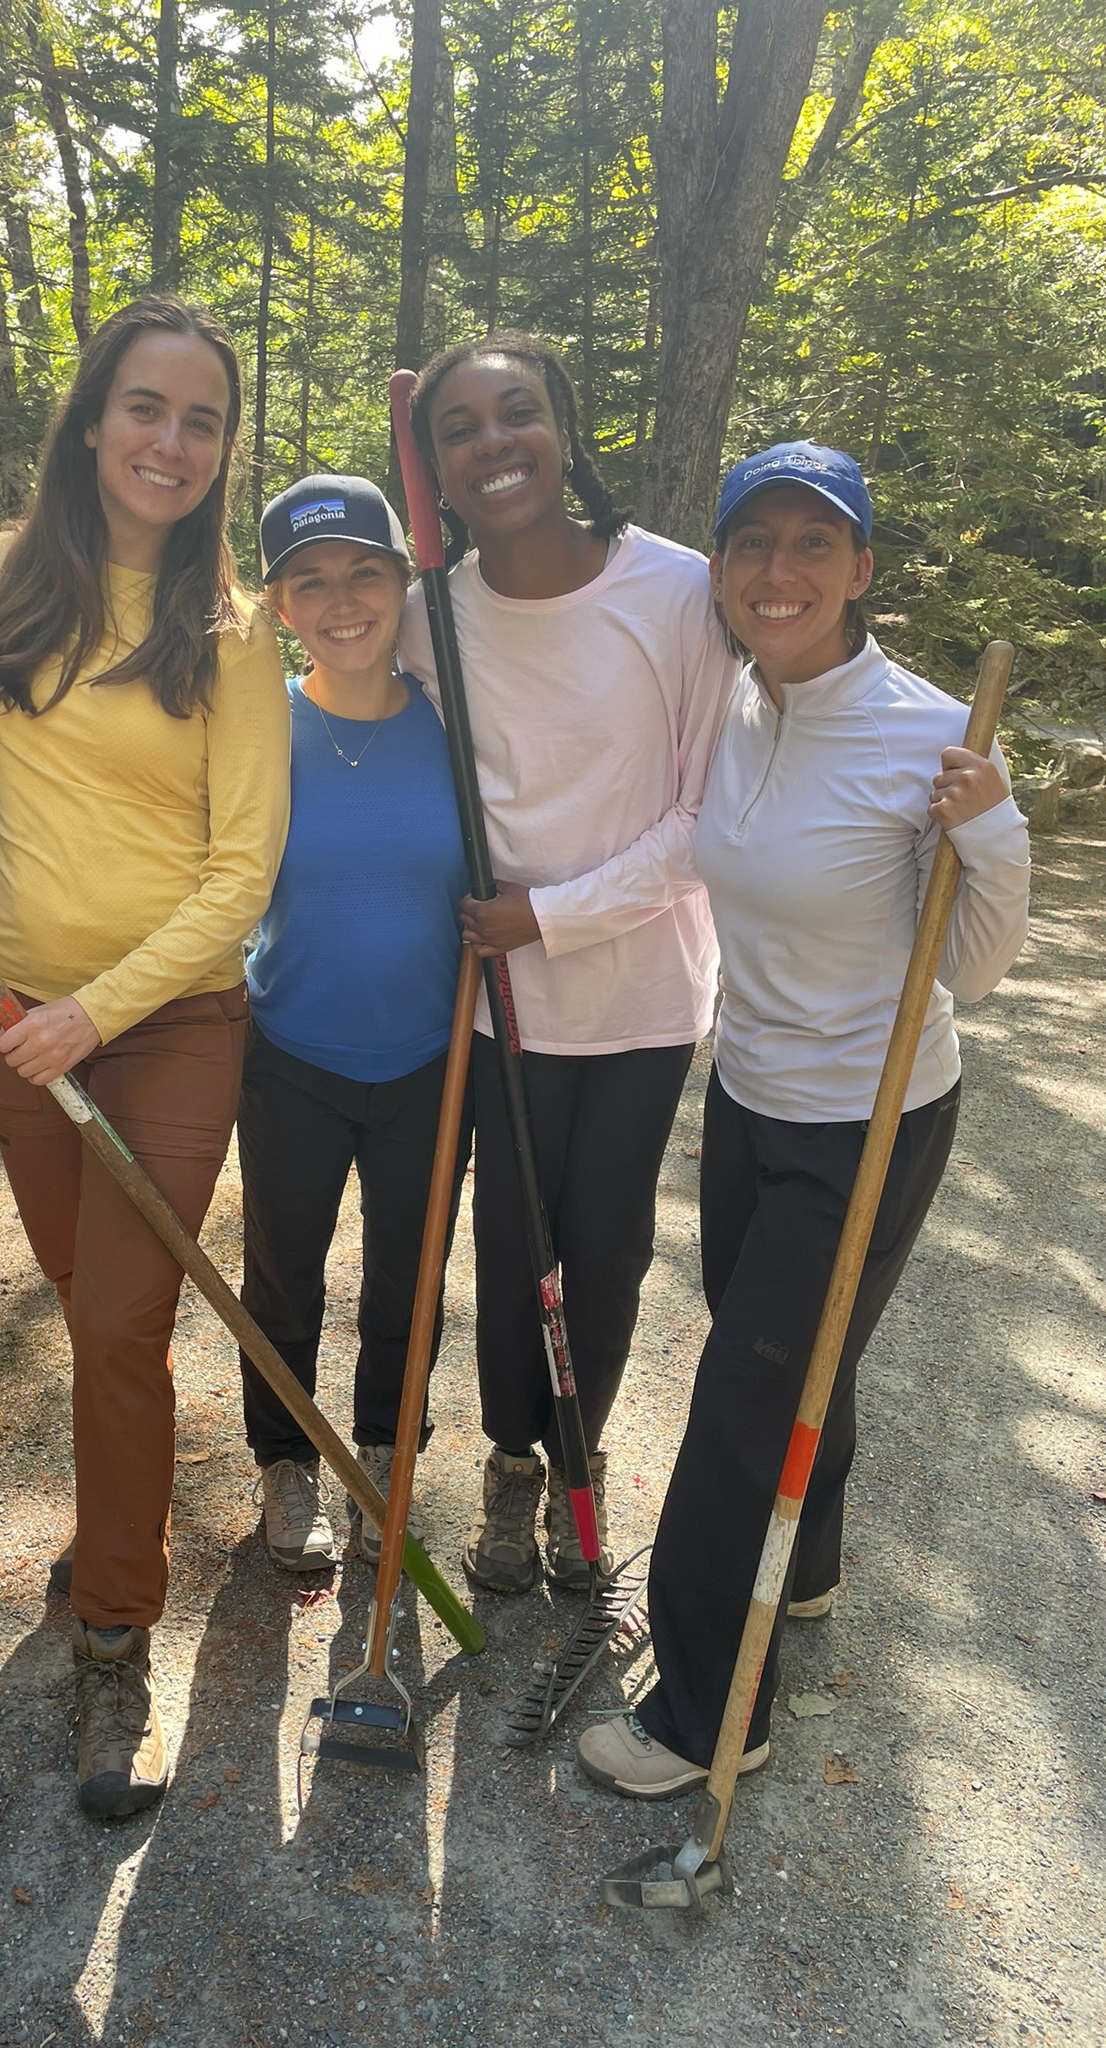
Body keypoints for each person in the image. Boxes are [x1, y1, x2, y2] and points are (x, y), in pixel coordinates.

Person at [576, 443, 1030, 1798]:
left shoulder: (932, 734)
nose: (781, 572)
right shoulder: (743, 708)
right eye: (754, 545)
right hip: (749, 1095)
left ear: (862, 570)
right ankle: (809, 1567)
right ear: (722, 569)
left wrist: (991, 831)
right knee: (784, 1367)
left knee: (735, 1408)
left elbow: (979, 966)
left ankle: (714, 1713)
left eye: (813, 545)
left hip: (871, 1121)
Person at [0, 295, 289, 1821]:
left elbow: (242, 875)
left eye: (202, 420)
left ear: (224, 452)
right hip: (12, 1011)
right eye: (145, 408)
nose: (170, 441)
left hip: (161, 1027)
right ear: (91, 420)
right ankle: (114, 1530)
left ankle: (113, 1635)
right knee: (78, 1287)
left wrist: (95, 1014)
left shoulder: (235, 630)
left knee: (117, 1327)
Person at [399, 333, 738, 1596]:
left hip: (643, 997)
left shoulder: (677, 592)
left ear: (563, 427)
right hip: (500, 1012)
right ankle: (512, 1461)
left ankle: (579, 1449)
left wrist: (554, 913)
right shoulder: (434, 614)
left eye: (517, 412)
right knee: (513, 1243)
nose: (494, 443)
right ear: (433, 464)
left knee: (605, 1246)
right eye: (461, 428)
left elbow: (708, 815)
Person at [238, 476, 469, 1571]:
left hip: (432, 1056)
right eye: (311, 581)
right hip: (291, 1050)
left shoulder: (460, 721)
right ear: (280, 602)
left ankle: (385, 1450)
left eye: (364, 572)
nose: (342, 599)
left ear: (402, 581)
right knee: (285, 1271)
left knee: (407, 1273)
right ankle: (287, 1460)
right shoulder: (258, 724)